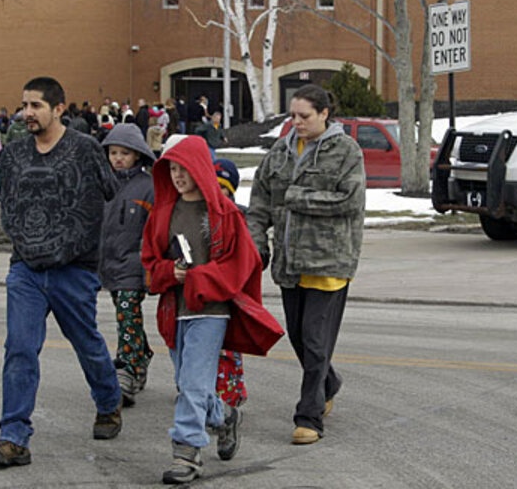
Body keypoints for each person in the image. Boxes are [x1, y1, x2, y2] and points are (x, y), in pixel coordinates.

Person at [0, 77, 122, 469]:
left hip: (74, 269)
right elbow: (9, 202)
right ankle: (13, 438)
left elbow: (108, 193)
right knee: (20, 348)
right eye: (25, 105)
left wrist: (80, 243)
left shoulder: (84, 149)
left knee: (87, 344)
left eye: (36, 106)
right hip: (26, 268)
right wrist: (23, 242)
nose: (28, 113)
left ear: (59, 109)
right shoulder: (14, 154)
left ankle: (109, 402)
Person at [141, 136, 283, 484]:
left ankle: (186, 452)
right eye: (171, 169)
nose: (177, 176)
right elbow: (149, 262)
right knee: (188, 382)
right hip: (175, 311)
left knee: (192, 382)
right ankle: (225, 415)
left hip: (211, 311)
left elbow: (242, 263)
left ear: (200, 168)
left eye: (183, 169)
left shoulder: (225, 213)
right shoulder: (163, 214)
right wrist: (167, 273)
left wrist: (199, 279)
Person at [247, 84, 365, 446]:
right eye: (292, 116)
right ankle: (328, 383)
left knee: (315, 341)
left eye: (304, 116)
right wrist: (257, 246)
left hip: (328, 263)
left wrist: (297, 197)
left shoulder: (346, 151)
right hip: (289, 264)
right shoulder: (279, 153)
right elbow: (259, 206)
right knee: (299, 338)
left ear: (324, 114)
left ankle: (309, 417)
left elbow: (349, 199)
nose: (296, 122)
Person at [98, 123, 155, 407]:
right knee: (126, 317)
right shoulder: (102, 183)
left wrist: (149, 266)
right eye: (113, 152)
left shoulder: (147, 187)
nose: (118, 158)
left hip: (134, 263)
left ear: (138, 155)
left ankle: (128, 370)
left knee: (126, 312)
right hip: (108, 262)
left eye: (125, 153)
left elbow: (154, 230)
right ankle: (141, 351)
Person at [212, 159, 248, 409]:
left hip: (233, 289)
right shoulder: (202, 212)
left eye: (223, 187)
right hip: (210, 287)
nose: (218, 192)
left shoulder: (239, 216)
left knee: (229, 346)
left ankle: (231, 391)